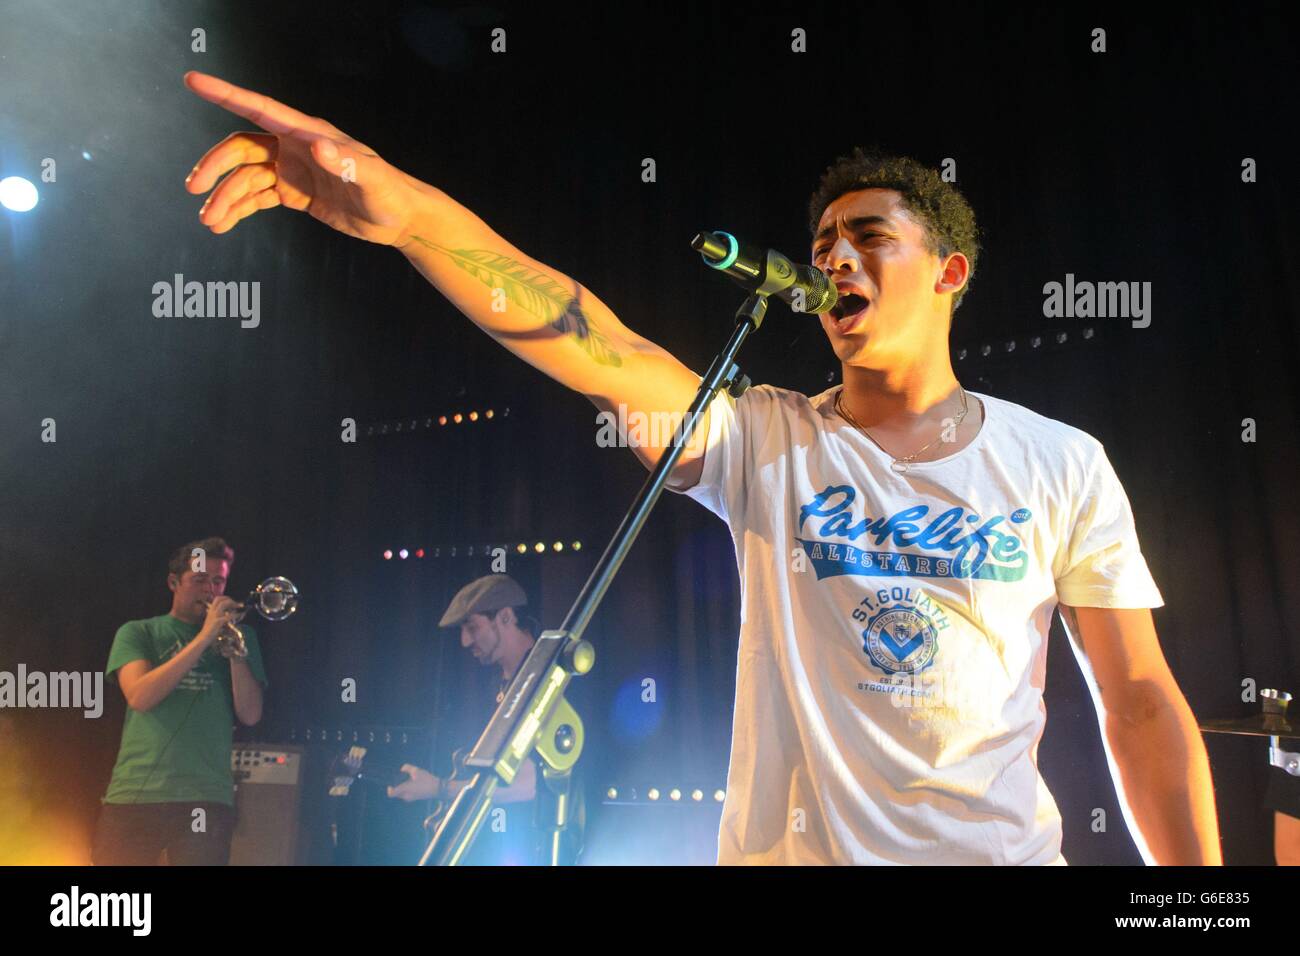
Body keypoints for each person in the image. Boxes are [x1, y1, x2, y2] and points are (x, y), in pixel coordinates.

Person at [180, 73, 1219, 864]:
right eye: (822, 245)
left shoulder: (1058, 461)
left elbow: (1135, 701)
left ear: (949, 271)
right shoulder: (766, 438)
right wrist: (408, 216)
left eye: (869, 237)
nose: (835, 260)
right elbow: (595, 340)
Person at [92, 536, 267, 865]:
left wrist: (236, 657)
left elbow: (251, 714)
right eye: (200, 580)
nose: (210, 591)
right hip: (137, 793)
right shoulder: (138, 632)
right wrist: (203, 638)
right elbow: (141, 696)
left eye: (218, 581)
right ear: (173, 582)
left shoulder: (242, 639)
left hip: (206, 797)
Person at [387, 574, 583, 865]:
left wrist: (439, 788)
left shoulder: (549, 676)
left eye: (472, 627)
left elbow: (528, 783)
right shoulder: (501, 684)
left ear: (505, 617)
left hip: (540, 851)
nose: (465, 640)